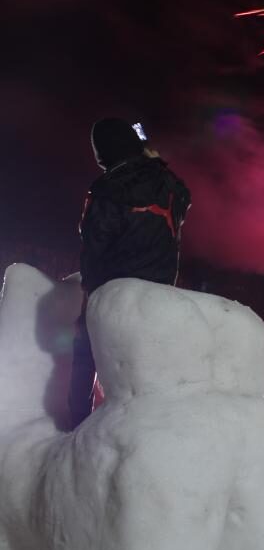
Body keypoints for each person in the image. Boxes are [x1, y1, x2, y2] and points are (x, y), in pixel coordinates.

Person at [69, 118, 191, 428]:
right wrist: (153, 159)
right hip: (160, 295)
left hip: (115, 293)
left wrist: (90, 294)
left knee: (83, 351)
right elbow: (185, 197)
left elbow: (93, 248)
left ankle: (74, 427)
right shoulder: (169, 184)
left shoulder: (106, 188)